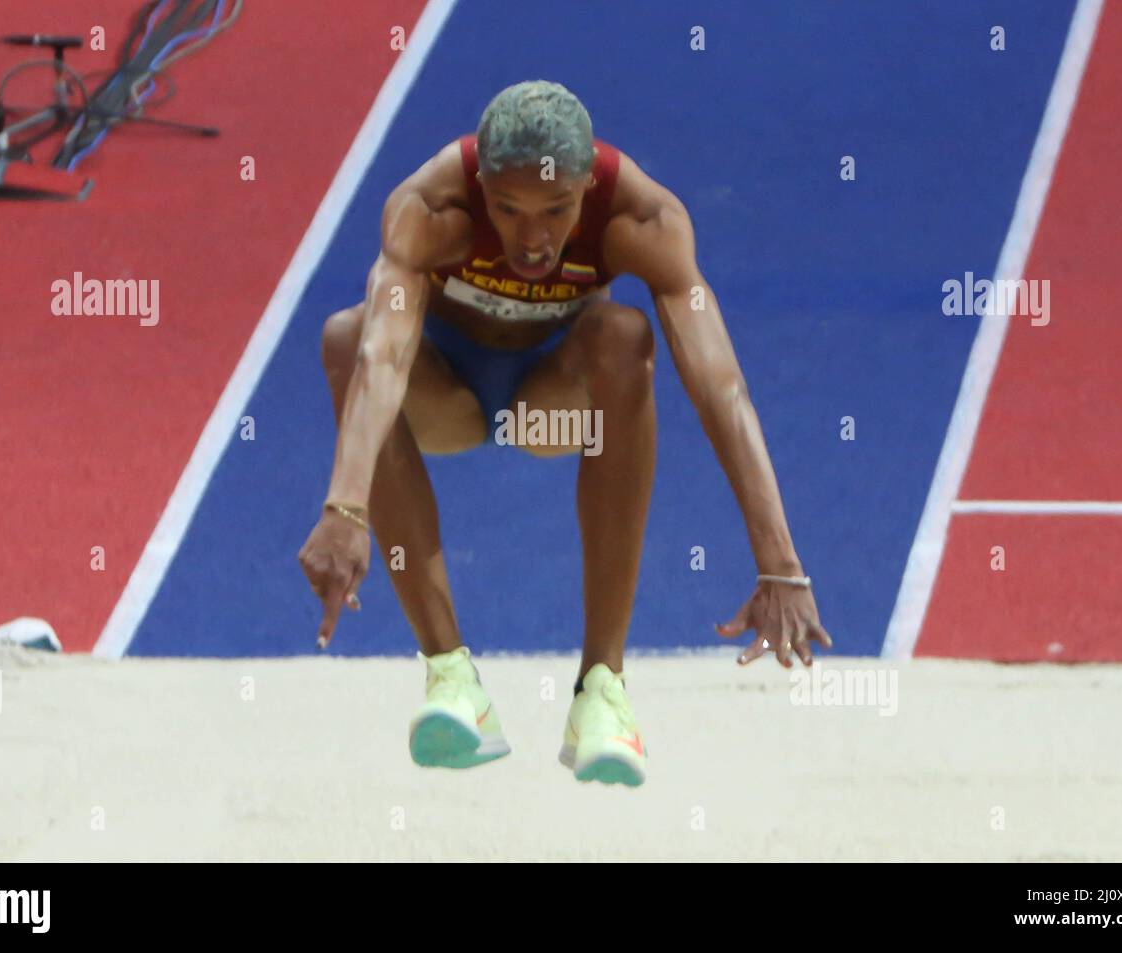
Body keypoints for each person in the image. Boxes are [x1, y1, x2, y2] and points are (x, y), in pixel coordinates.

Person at [299, 80, 831, 787]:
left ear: (586, 183)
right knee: (346, 332)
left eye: (556, 209)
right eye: (509, 209)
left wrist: (779, 561)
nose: (532, 237)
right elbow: (383, 354)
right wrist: (345, 506)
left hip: (547, 404)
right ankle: (453, 680)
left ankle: (602, 690)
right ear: (480, 183)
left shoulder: (641, 217)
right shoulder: (428, 207)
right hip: (444, 396)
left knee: (624, 337)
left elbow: (720, 385)